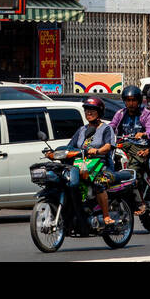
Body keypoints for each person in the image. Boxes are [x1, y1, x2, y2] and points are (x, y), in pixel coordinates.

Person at [47, 95, 116, 224]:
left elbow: (108, 146)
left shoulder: (106, 128)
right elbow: (70, 146)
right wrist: (54, 153)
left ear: (99, 111)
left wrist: (97, 151)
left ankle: (106, 216)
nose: (88, 112)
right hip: (82, 165)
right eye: (86, 110)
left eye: (92, 109)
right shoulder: (82, 130)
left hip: (102, 165)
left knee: (98, 183)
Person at [109, 86, 150, 215]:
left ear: (139, 101)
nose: (131, 103)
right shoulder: (120, 113)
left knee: (131, 173)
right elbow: (112, 126)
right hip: (122, 146)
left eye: (134, 100)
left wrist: (144, 133)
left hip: (139, 147)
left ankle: (140, 202)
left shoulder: (146, 113)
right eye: (128, 100)